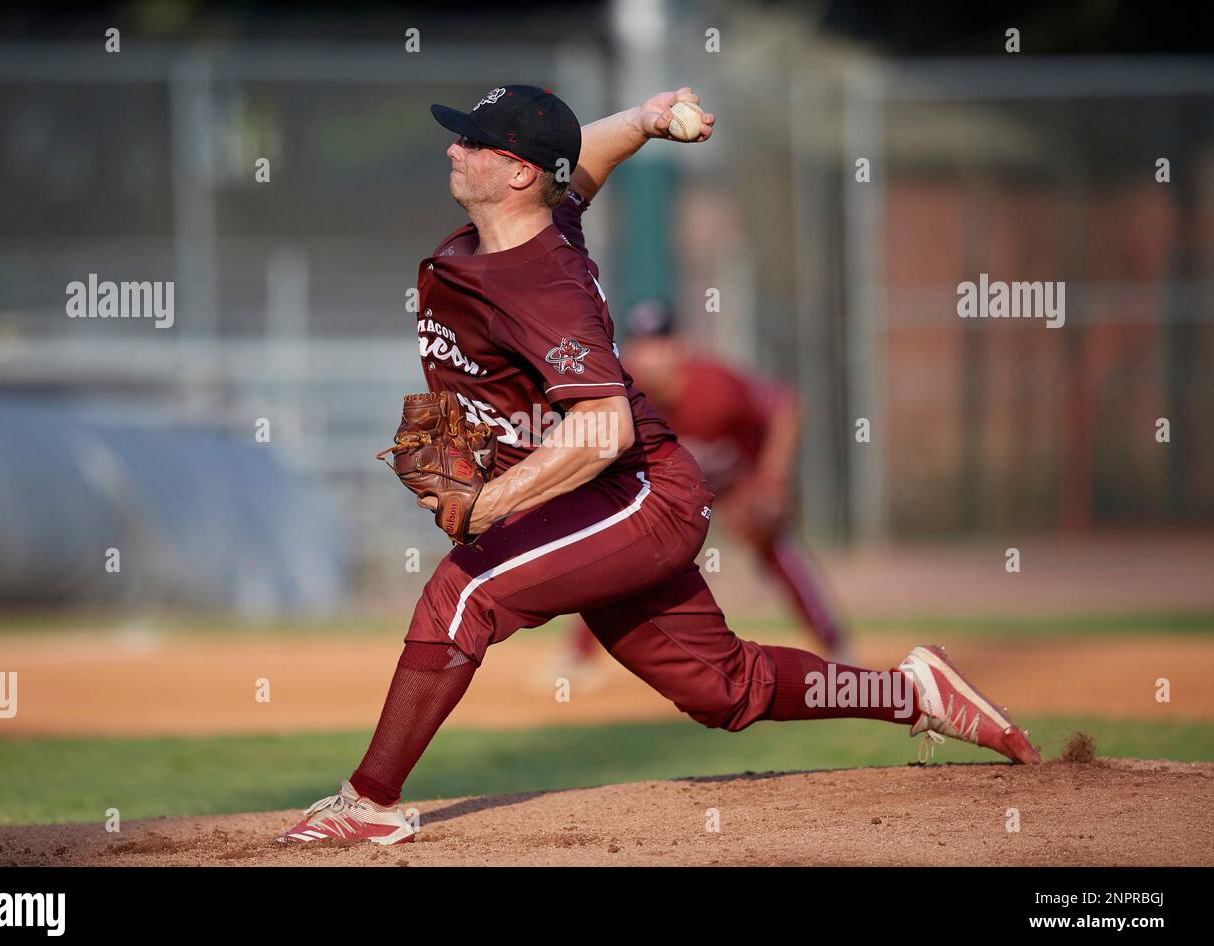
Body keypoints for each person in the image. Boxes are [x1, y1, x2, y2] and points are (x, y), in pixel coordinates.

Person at [275, 85, 1038, 848]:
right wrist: (642, 120)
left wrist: (491, 502)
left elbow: (604, 427)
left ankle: (367, 800)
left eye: (473, 142)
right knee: (722, 688)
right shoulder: (538, 222)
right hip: (591, 504)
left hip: (636, 496)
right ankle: (912, 693)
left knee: (464, 590)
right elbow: (582, 166)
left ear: (514, 174)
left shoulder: (543, 285)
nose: (454, 148)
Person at [559, 301, 851, 687]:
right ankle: (578, 657)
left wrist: (770, 476)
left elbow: (784, 404)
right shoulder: (629, 395)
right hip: (681, 485)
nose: (651, 356)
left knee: (778, 549)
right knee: (622, 550)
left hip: (738, 480)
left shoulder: (716, 385)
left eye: (660, 343)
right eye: (642, 345)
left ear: (680, 347)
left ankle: (838, 649)